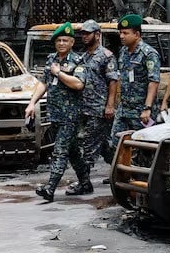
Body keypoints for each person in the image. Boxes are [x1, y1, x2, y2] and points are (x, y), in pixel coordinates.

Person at [24, 22, 91, 202]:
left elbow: (78, 84)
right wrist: (32, 103)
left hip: (71, 115)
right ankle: (85, 182)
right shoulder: (51, 59)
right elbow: (43, 83)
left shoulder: (78, 61)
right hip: (54, 114)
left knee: (60, 151)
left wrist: (59, 73)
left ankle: (50, 188)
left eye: (65, 40)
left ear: (71, 43)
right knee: (72, 151)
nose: (61, 43)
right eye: (58, 40)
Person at [74, 19, 117, 185]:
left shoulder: (106, 56)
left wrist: (110, 105)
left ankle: (83, 182)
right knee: (105, 145)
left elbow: (113, 82)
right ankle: (120, 170)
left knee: (88, 145)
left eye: (88, 33)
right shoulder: (83, 57)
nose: (84, 36)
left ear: (97, 35)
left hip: (99, 109)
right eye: (83, 33)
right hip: (84, 108)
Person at [109, 14, 160, 152]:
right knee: (116, 143)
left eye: (125, 33)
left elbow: (153, 81)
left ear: (137, 34)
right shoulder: (124, 51)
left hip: (141, 110)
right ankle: (125, 173)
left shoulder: (148, 53)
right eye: (120, 32)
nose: (121, 36)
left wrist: (147, 108)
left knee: (145, 147)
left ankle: (146, 173)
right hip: (124, 108)